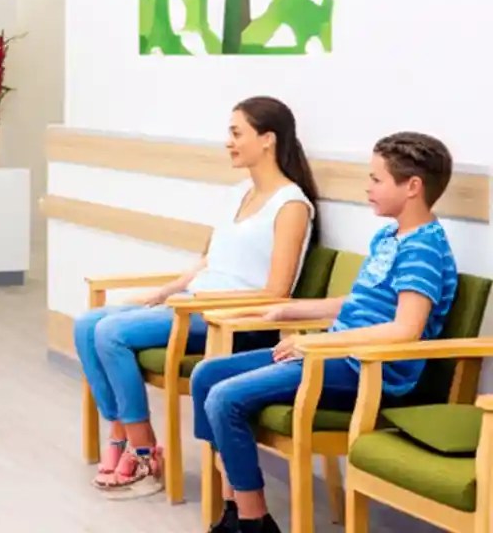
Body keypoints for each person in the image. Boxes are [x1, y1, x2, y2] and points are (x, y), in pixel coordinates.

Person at [191, 131, 457, 533]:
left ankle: (252, 522)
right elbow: (358, 304)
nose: (367, 187)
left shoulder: (424, 250)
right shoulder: (389, 237)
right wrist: (293, 310)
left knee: (226, 397)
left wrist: (316, 342)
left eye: (376, 179)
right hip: (333, 354)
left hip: (366, 369)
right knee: (206, 375)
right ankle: (235, 506)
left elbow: (405, 329)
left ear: (412, 187)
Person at [76, 96, 320, 499]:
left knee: (110, 333)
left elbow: (277, 291)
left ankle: (141, 453)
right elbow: (210, 260)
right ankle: (121, 435)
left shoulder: (292, 205)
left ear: (268, 140)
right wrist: (163, 292)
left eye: (236, 132)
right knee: (88, 323)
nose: (228, 141)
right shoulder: (239, 193)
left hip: (231, 319)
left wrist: (199, 304)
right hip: (195, 302)